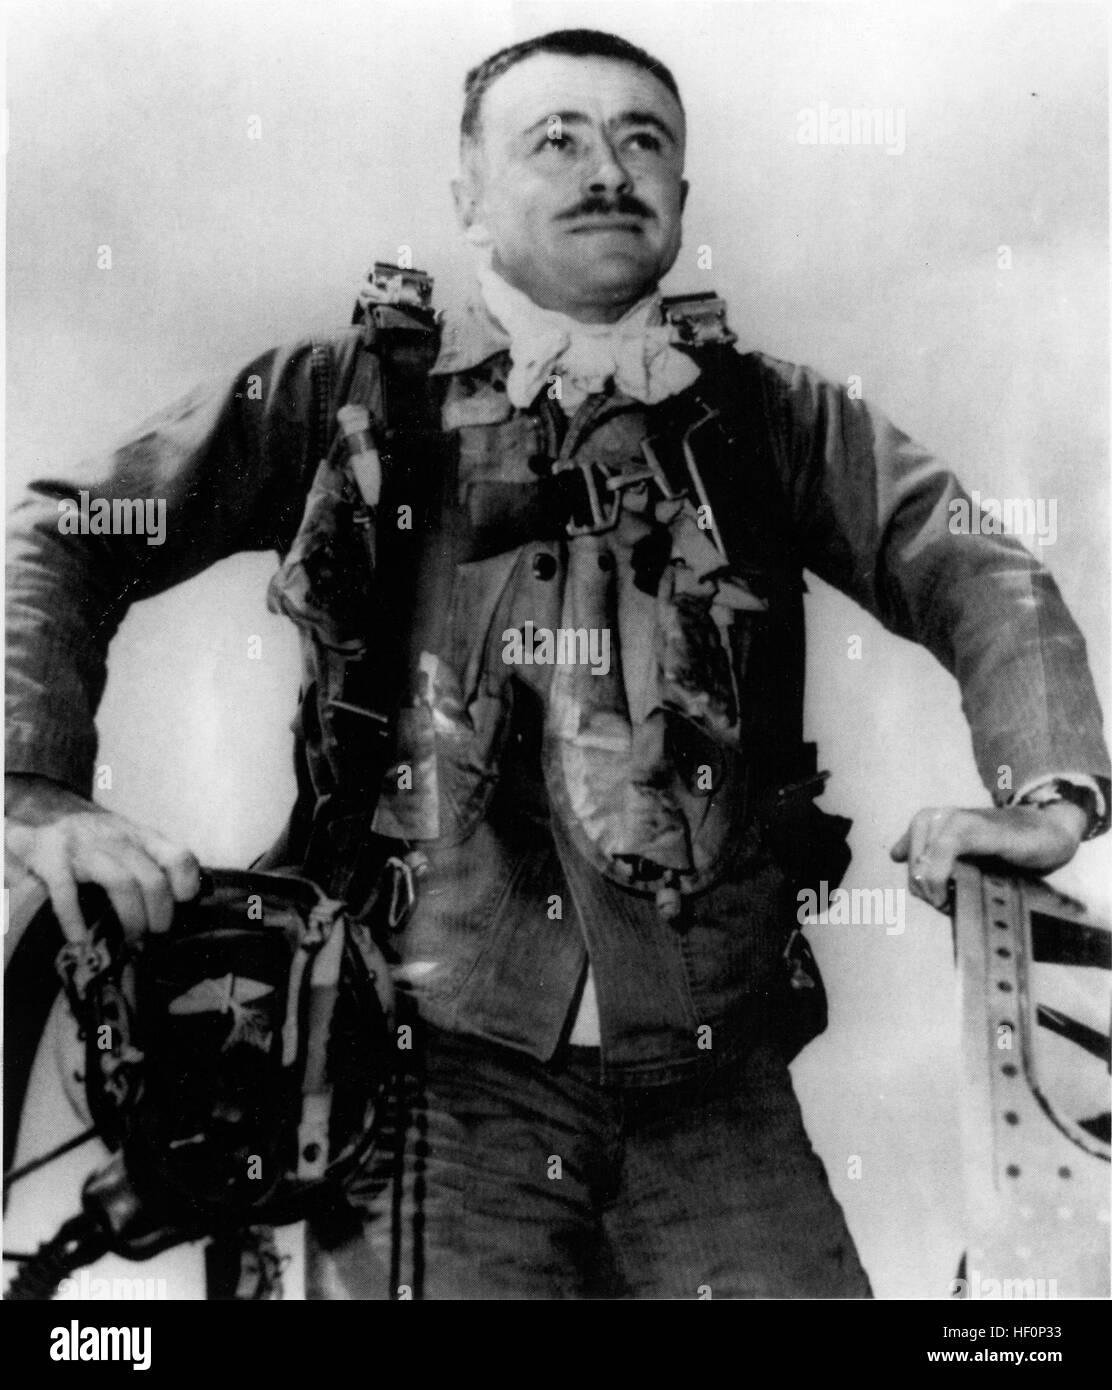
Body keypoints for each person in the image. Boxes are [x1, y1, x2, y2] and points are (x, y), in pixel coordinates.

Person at [6, 28, 1109, 1299]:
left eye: (643, 141)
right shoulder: (351, 396)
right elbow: (64, 532)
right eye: (558, 140)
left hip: (712, 1100)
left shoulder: (772, 418)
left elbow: (974, 563)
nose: (607, 169)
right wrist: (35, 791)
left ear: (680, 199)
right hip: (422, 1092)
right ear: (468, 194)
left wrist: (1047, 793)